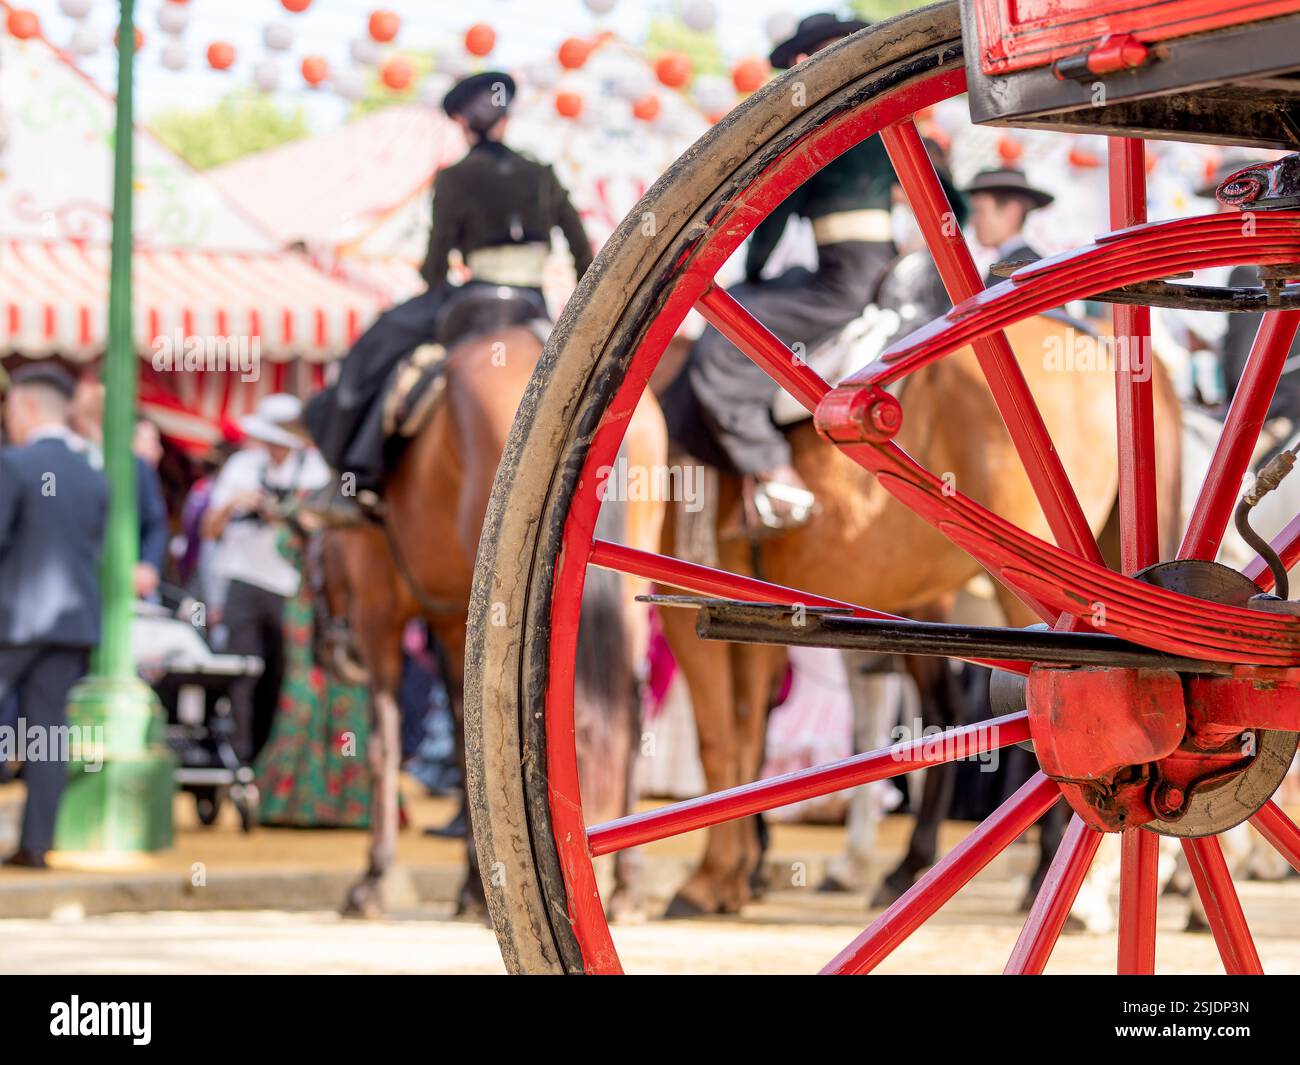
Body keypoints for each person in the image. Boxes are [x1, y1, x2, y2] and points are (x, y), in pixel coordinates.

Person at [305, 70, 593, 514]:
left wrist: (438, 272)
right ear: (506, 119)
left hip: (474, 301)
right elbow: (581, 252)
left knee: (381, 348)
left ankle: (351, 476)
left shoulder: (455, 177)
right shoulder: (542, 174)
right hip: (533, 304)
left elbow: (435, 268)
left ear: (462, 123)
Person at [661, 11, 895, 534]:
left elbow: (771, 220)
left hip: (842, 282)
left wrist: (752, 275)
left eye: (807, 56)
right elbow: (958, 206)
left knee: (725, 340)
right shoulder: (891, 122)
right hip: (886, 271)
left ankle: (777, 474)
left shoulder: (823, 132)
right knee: (762, 297)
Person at [0, 363, 108, 868]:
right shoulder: (93, 477)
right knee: (46, 734)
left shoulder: (15, 467)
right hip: (71, 624)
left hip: (12, 621)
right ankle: (36, 845)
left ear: (26, 406)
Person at [203, 394, 329, 762]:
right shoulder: (241, 468)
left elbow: (322, 533)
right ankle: (241, 760)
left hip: (295, 590)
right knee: (244, 672)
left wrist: (286, 516)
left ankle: (269, 761)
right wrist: (232, 505)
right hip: (243, 580)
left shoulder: (314, 470)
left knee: (284, 677)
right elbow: (208, 531)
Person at [70, 377, 168, 599]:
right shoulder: (68, 460)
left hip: (125, 579)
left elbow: (155, 523)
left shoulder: (136, 466)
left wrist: (148, 566)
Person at [965, 167, 1054, 284]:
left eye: (980, 211)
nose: (973, 221)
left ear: (1011, 212)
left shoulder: (1014, 272)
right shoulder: (1028, 265)